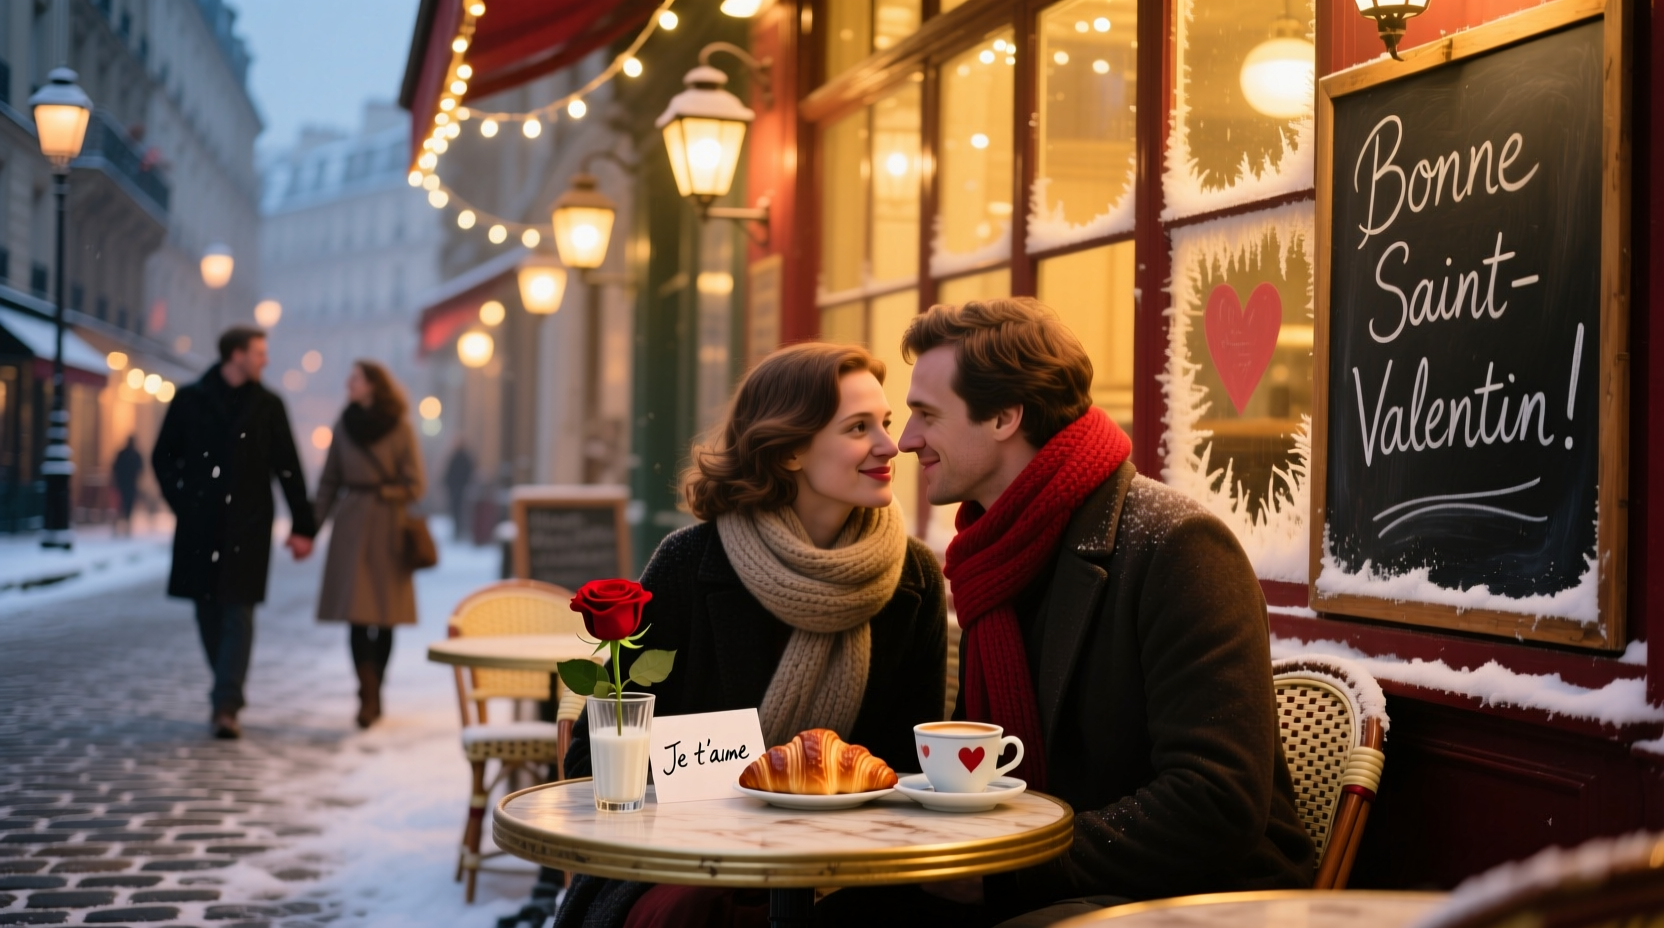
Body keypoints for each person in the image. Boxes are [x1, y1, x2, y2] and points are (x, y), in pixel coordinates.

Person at [817, 298, 1314, 927]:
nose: (906, 440)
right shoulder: (991, 559)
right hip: (1054, 877)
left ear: (1004, 416)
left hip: (1199, 897)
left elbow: (1216, 801)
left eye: (926, 415)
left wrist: (1014, 869)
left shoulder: (1177, 545)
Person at [556, 343, 948, 928]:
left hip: (852, 876)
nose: (890, 446)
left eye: (885, 424)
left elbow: (907, 770)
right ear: (789, 449)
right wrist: (754, 784)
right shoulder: (690, 563)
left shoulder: (913, 576)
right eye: (859, 427)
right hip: (684, 867)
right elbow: (596, 756)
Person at [153, 327, 316, 740]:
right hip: (200, 524)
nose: (266, 360)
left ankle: (226, 703)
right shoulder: (190, 399)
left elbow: (289, 468)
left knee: (238, 611)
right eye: (259, 352)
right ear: (236, 355)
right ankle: (226, 689)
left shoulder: (268, 405)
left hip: (248, 524)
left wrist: (303, 525)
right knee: (207, 609)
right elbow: (162, 456)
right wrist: (184, 502)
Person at [313, 360, 426, 728]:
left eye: (356, 379)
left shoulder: (400, 426)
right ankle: (367, 693)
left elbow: (417, 484)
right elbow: (329, 481)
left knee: (386, 616)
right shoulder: (343, 425)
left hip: (389, 526)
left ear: (374, 386)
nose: (349, 383)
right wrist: (309, 526)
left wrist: (387, 491)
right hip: (351, 528)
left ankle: (378, 688)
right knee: (358, 616)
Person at [442, 440, 474, 541]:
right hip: (460, 488)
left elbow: (449, 472)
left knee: (456, 510)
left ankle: (458, 531)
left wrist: (447, 482)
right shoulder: (465, 457)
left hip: (457, 488)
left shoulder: (458, 457)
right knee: (458, 511)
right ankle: (458, 531)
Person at [111, 435, 143, 536]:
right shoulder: (134, 455)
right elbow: (140, 468)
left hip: (124, 483)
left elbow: (115, 467)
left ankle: (121, 528)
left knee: (122, 506)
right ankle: (124, 528)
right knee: (125, 506)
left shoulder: (123, 454)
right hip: (128, 484)